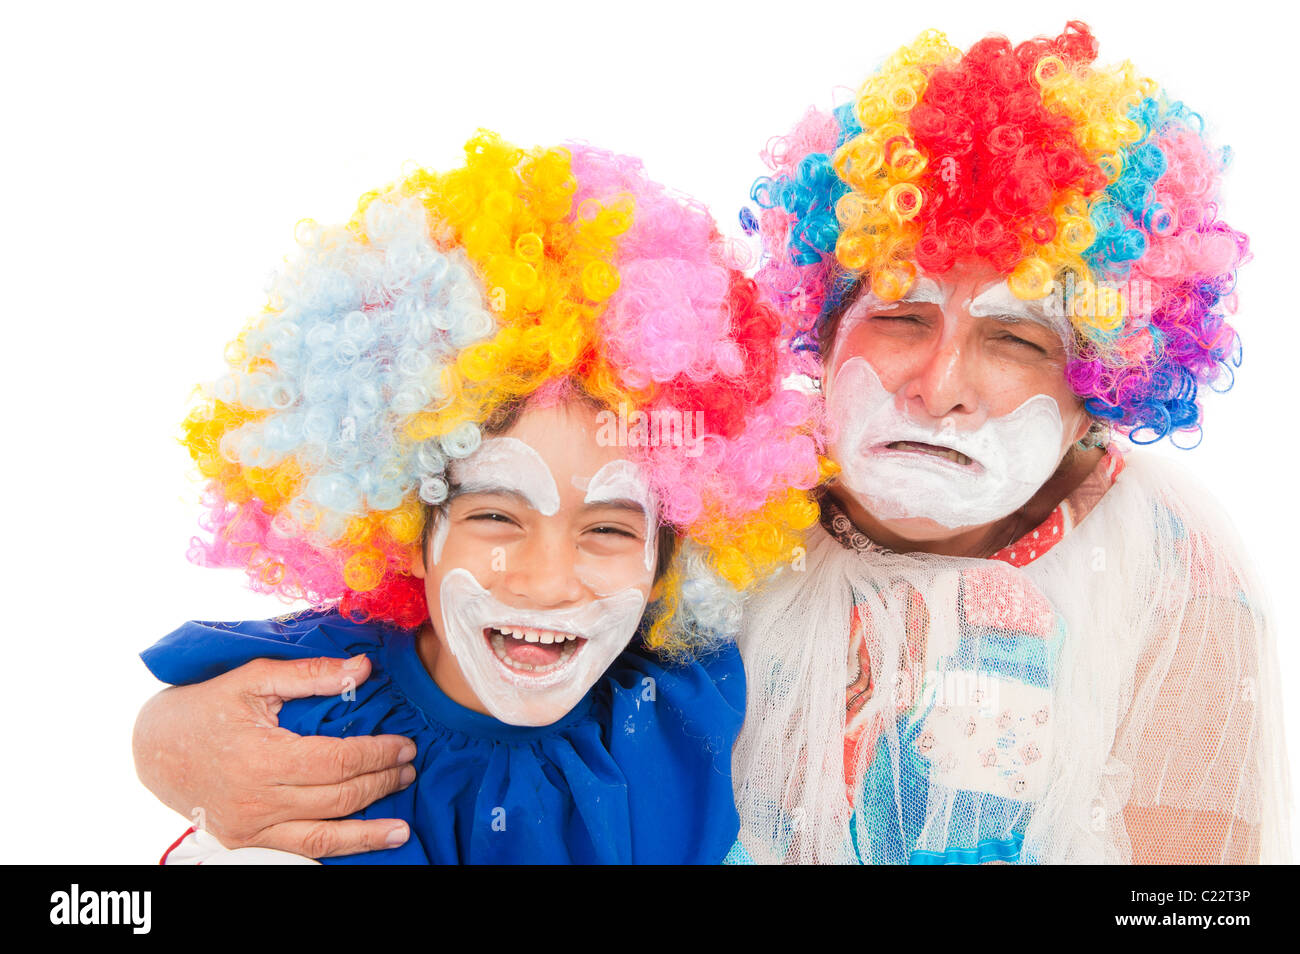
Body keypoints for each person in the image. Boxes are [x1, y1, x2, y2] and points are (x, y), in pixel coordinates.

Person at [139, 131, 822, 863]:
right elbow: (181, 742)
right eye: (496, 515)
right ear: (406, 525)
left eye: (609, 532)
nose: (546, 581)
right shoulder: (311, 699)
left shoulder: (693, 704)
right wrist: (159, 743)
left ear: (671, 554)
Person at [728, 21, 1290, 863]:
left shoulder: (1171, 577)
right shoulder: (726, 518)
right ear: (829, 325)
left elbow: (1193, 905)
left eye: (1018, 341)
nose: (941, 385)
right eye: (900, 317)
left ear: (1100, 388)